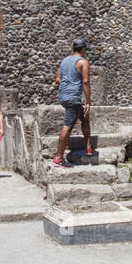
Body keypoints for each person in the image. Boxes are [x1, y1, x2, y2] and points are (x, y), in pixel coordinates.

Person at [53, 39, 92, 168]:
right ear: (83, 49)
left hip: (63, 97)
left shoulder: (64, 61)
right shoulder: (83, 62)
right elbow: (85, 81)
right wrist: (88, 101)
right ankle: (58, 158)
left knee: (84, 117)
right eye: (85, 49)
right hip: (73, 98)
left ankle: (88, 146)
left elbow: (58, 79)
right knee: (67, 126)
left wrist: (69, 80)